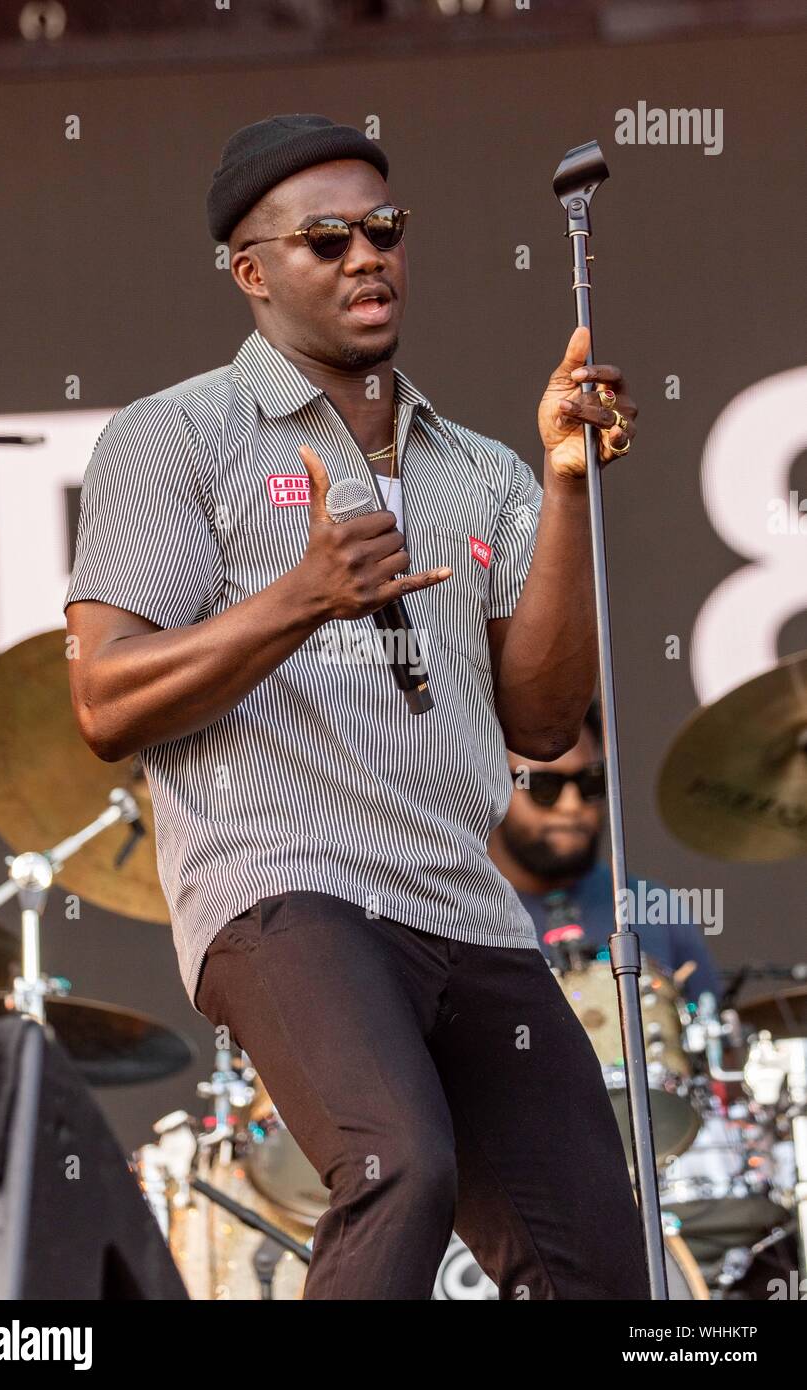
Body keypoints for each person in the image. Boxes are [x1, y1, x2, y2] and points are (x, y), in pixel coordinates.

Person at [65, 114, 648, 1300]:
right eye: (322, 240)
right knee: (399, 1161)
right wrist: (301, 598)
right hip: (283, 885)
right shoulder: (175, 436)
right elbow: (103, 700)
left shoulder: (479, 468)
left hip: (462, 901)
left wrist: (564, 486)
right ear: (250, 271)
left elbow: (539, 723)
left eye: (381, 230)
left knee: (595, 1261)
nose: (363, 258)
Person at [488, 700, 721, 1004]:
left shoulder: (653, 907)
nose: (571, 806)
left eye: (589, 782)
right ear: (493, 782)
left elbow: (716, 1041)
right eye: (543, 785)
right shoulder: (459, 910)